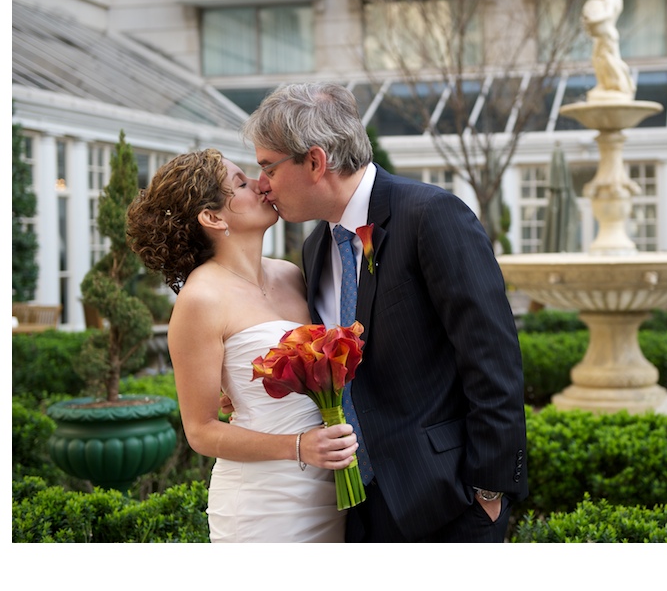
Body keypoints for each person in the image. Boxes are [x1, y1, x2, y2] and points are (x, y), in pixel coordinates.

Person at [239, 82, 528, 542]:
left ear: (314, 161)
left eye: (267, 166)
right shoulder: (315, 249)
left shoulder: (431, 215)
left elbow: (493, 360)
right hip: (355, 509)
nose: (261, 184)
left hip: (449, 503)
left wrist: (488, 491)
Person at [126, 148, 359, 542]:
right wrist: (298, 446)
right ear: (213, 218)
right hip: (262, 503)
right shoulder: (201, 300)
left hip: (330, 489)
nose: (262, 183)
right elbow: (200, 431)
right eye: (241, 182)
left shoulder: (291, 274)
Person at [582, 0, 636, 100]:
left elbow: (608, 14)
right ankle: (604, 84)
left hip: (607, 34)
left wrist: (592, 19)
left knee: (610, 60)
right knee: (598, 59)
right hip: (602, 34)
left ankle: (621, 85)